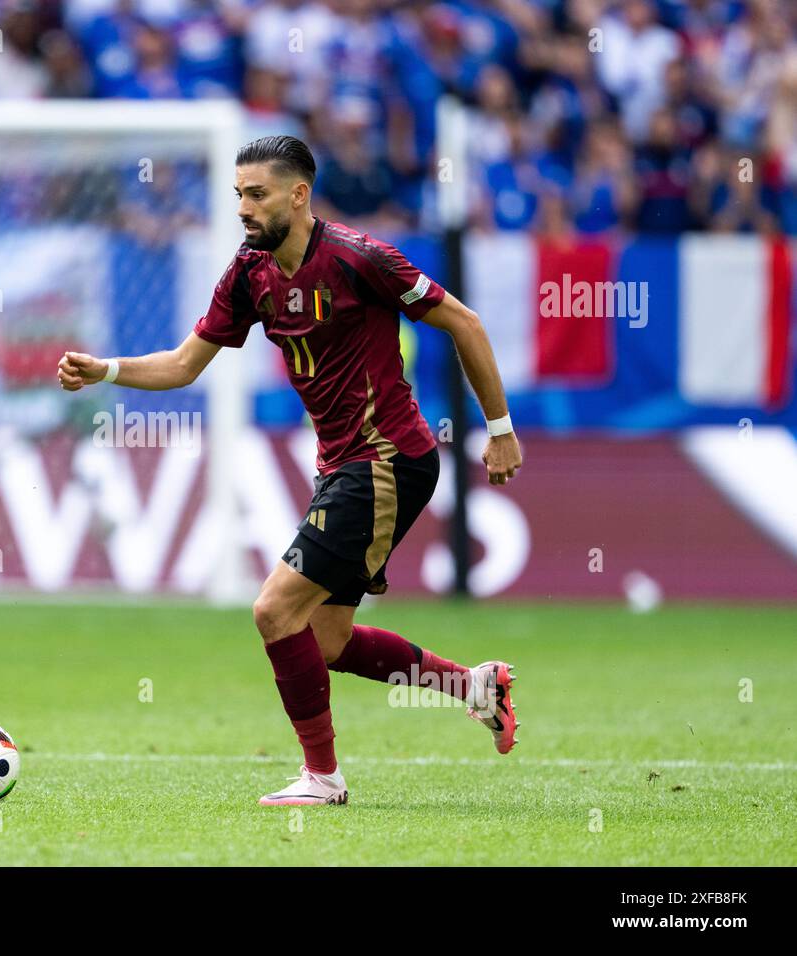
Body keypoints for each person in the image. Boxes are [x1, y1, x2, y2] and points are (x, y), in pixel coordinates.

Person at [58, 135, 523, 806]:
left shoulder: (362, 259)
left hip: (387, 458)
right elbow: (185, 362)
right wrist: (107, 369)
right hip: (342, 464)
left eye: (257, 195)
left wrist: (500, 429)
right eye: (239, 196)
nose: (244, 209)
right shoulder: (249, 273)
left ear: (298, 195)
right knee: (327, 639)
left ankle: (323, 778)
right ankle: (476, 688)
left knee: (274, 610)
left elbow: (466, 324)